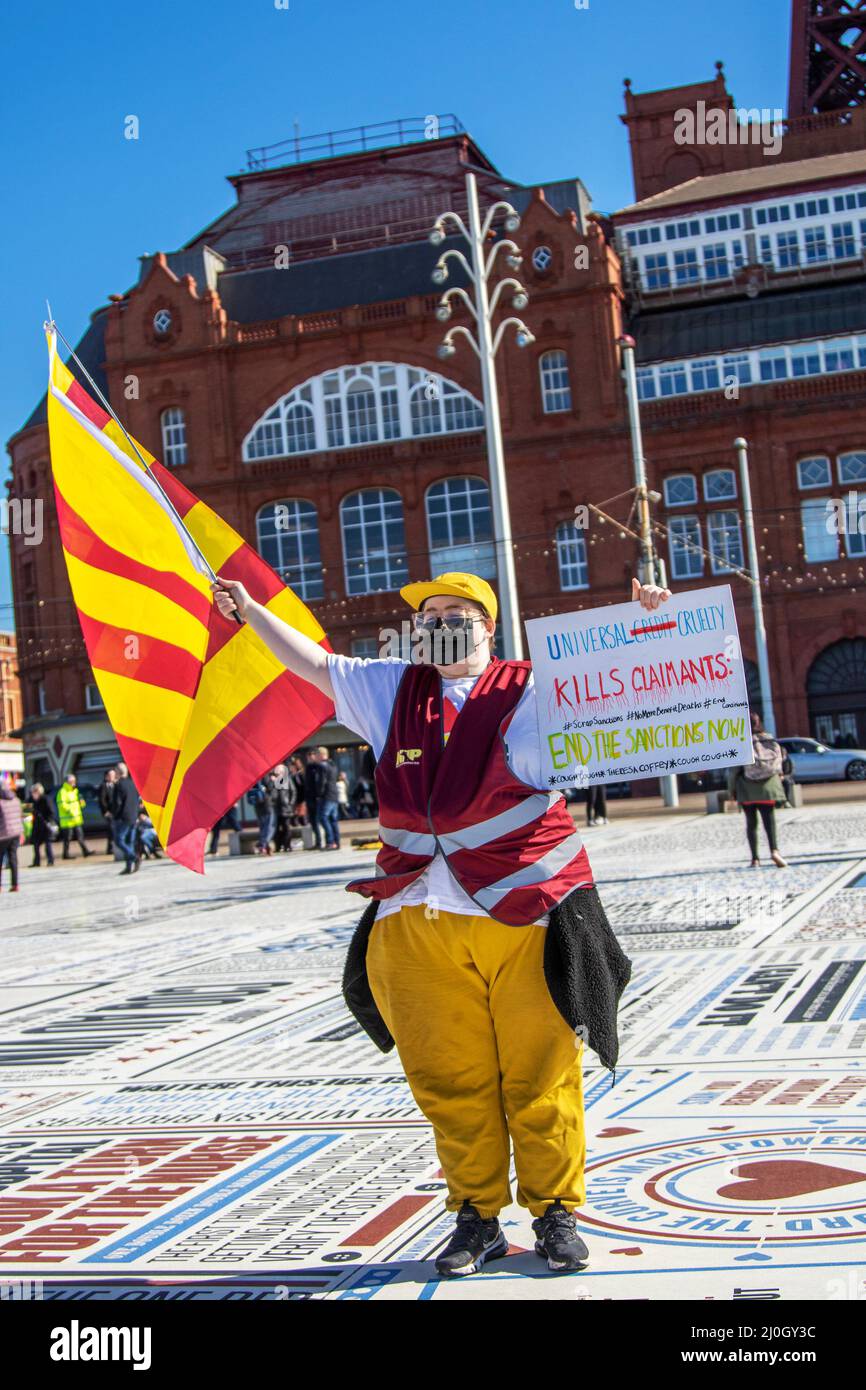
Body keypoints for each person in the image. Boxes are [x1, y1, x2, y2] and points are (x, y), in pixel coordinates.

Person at [213, 567, 671, 1278]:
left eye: (455, 612)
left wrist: (649, 622)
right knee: (448, 1079)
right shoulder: (390, 686)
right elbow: (309, 659)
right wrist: (249, 613)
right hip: (417, 918)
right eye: (428, 615)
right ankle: (477, 1216)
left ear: (488, 625)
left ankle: (554, 1210)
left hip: (525, 914)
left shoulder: (533, 687)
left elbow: (626, 687)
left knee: (541, 1073)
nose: (438, 623)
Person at [727, 711, 788, 869]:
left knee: (751, 824)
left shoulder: (741, 741)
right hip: (768, 788)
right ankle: (775, 851)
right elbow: (781, 763)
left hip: (747, 788)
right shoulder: (769, 738)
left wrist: (732, 790)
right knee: (770, 822)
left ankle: (755, 859)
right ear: (758, 722)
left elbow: (733, 771)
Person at [111, 762, 141, 874]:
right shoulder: (133, 784)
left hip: (124, 817)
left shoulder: (119, 785)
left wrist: (115, 815)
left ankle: (134, 857)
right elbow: (137, 801)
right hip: (134, 816)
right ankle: (129, 867)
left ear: (118, 772)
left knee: (119, 840)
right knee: (129, 841)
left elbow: (117, 803)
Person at [56, 774, 92, 859]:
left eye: (74, 781)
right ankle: (65, 854)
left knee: (80, 836)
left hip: (77, 819)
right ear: (67, 782)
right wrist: (70, 811)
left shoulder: (75, 791)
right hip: (68, 820)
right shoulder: (62, 792)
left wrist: (82, 802)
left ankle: (85, 851)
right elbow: (62, 805)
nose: (74, 783)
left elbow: (79, 803)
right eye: (72, 782)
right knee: (67, 839)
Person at [0, 773, 23, 893]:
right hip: (16, 833)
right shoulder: (16, 800)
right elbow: (20, 817)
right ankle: (15, 885)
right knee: (13, 858)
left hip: (3, 835)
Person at [315, 745, 341, 850]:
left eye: (317, 754)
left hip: (326, 795)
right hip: (334, 794)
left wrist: (319, 794)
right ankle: (337, 841)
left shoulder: (322, 766)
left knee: (323, 817)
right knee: (333, 819)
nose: (316, 757)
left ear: (321, 755)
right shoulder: (333, 764)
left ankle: (330, 841)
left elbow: (322, 781)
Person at [29, 783, 58, 868]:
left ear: (39, 792)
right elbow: (25, 814)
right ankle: (36, 862)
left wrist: (47, 820)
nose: (32, 794)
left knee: (47, 844)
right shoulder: (30, 800)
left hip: (45, 826)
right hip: (36, 826)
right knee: (35, 844)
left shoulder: (46, 799)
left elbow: (52, 812)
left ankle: (50, 860)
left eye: (34, 792)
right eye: (32, 792)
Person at [272, 765, 297, 851]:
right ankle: (278, 846)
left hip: (286, 808)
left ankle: (287, 845)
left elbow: (293, 791)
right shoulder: (273, 781)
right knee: (276, 829)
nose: (277, 772)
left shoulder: (287, 779)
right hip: (276, 808)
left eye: (279, 770)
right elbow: (272, 794)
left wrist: (291, 803)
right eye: (277, 770)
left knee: (286, 828)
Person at [303, 751, 325, 850]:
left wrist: (319, 795)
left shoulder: (318, 767)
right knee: (312, 821)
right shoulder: (308, 768)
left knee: (316, 820)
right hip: (309, 797)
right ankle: (317, 841)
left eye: (312, 755)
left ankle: (320, 841)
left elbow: (320, 782)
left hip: (316, 797)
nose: (310, 757)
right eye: (309, 755)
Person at [251, 775, 276, 855]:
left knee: (262, 826)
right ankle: (263, 844)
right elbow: (270, 788)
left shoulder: (252, 776)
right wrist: (273, 781)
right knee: (270, 825)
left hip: (257, 804)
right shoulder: (265, 776)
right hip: (266, 803)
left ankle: (264, 846)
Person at [98, 768, 117, 856]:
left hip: (117, 811)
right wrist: (105, 811)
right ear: (106, 777)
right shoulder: (103, 786)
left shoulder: (116, 785)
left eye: (113, 775)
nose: (112, 777)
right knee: (111, 829)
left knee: (115, 829)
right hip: (109, 812)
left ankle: (113, 847)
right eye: (110, 775)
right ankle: (110, 848)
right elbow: (102, 800)